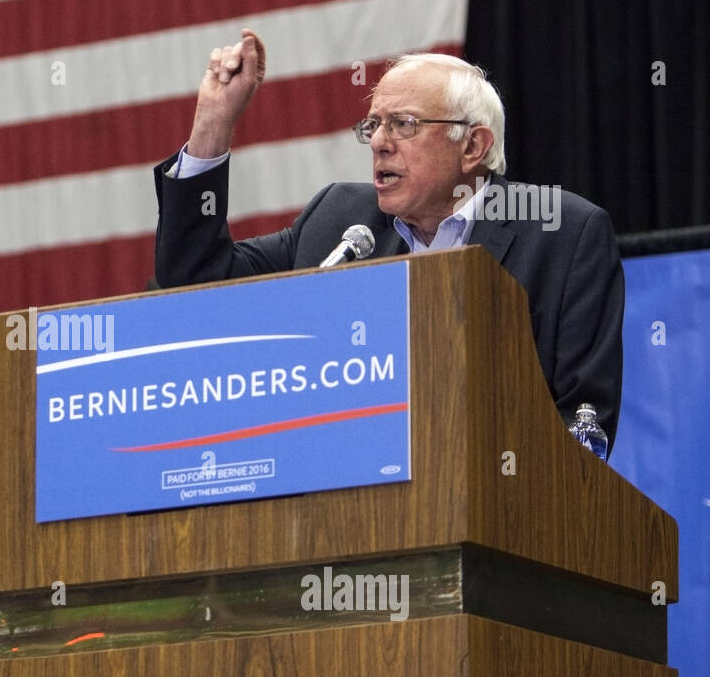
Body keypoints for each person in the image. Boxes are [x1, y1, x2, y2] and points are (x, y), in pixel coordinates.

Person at [153, 29, 624, 451]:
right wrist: (213, 122)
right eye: (374, 125)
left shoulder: (562, 233)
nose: (379, 141)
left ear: (473, 147)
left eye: (404, 124)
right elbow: (196, 281)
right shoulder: (338, 221)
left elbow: (583, 430)